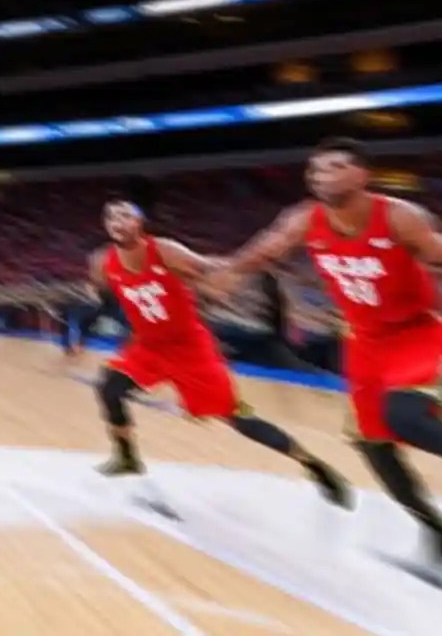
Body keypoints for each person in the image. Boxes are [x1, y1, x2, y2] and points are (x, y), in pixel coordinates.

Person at [209, 136, 442, 574]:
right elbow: (263, 251)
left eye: (335, 167)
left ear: (362, 175)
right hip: (363, 343)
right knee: (374, 448)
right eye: (315, 170)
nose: (321, 176)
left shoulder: (401, 218)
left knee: (405, 419)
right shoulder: (304, 219)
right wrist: (230, 271)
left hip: (417, 335)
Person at [90, 200, 351, 509]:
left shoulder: (163, 251)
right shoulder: (101, 262)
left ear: (140, 223)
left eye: (125, 215)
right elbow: (106, 301)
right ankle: (128, 457)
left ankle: (316, 467)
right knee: (109, 388)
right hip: (147, 346)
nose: (116, 221)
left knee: (236, 417)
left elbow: (208, 268)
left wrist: (241, 267)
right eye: (110, 216)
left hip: (190, 350)